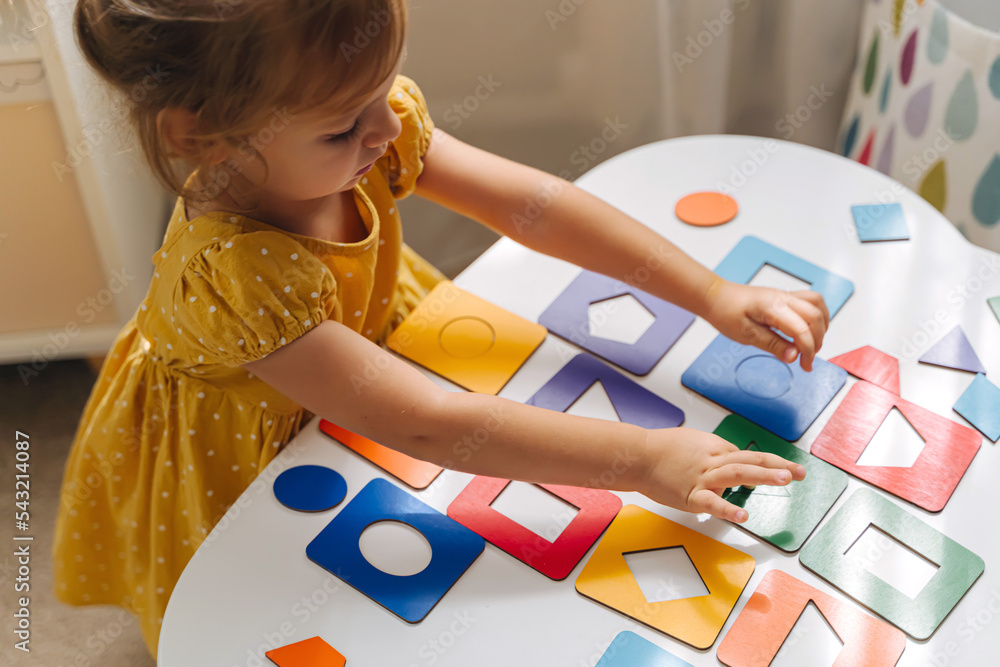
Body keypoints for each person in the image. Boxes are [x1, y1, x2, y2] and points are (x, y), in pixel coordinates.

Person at [56, 0, 828, 657]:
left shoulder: (365, 131)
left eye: (385, 91)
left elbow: (535, 204)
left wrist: (710, 290)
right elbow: (423, 422)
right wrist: (647, 457)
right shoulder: (235, 273)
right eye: (341, 127)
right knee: (271, 610)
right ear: (199, 136)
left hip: (365, 355)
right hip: (239, 437)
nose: (389, 127)